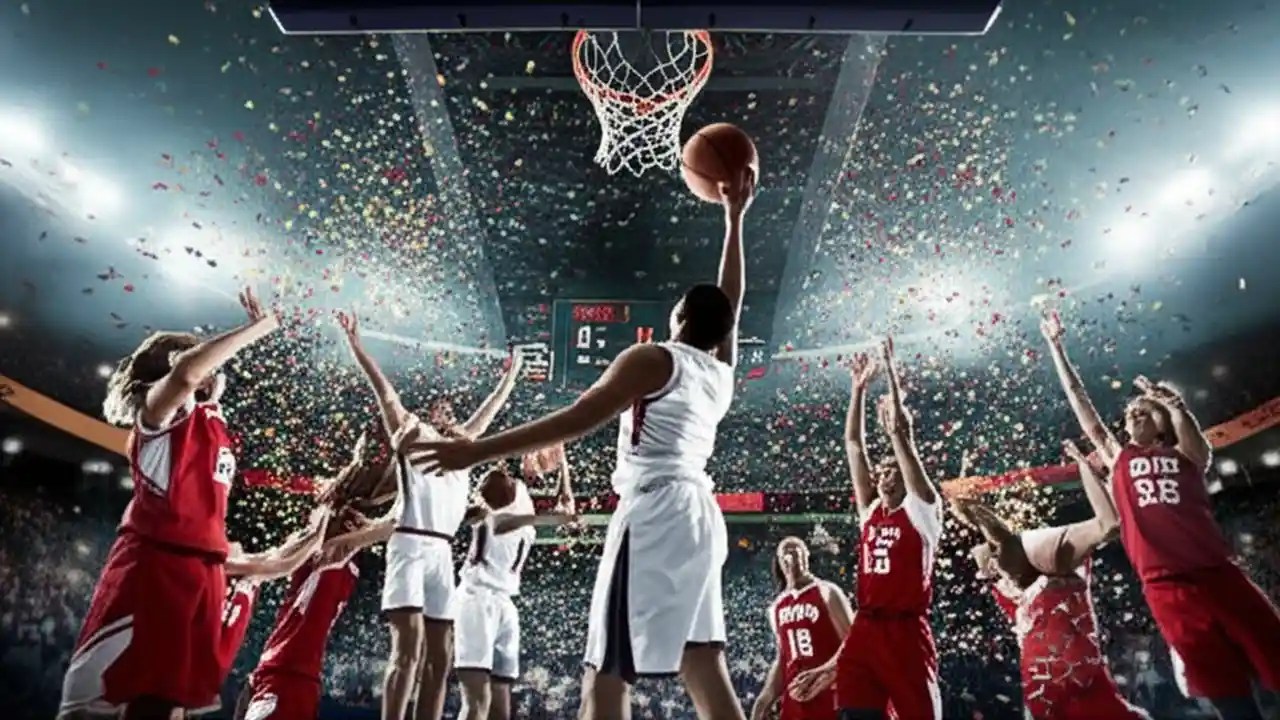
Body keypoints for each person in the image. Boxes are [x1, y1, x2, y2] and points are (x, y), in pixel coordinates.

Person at [405, 167, 756, 720]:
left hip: (655, 512)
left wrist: (477, 450)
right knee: (704, 665)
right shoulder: (721, 372)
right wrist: (734, 221)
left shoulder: (653, 358)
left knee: (606, 674)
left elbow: (577, 417)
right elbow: (730, 302)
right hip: (702, 518)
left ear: (678, 316)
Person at [1040, 310, 1280, 720]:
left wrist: (1174, 406)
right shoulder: (1118, 459)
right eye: (1131, 411)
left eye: (1144, 410)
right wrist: (1056, 348)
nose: (1134, 413)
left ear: (1164, 421)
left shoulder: (1186, 454)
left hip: (1219, 573)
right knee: (1226, 693)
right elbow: (1083, 406)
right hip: (1165, 588)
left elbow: (1197, 445)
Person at [59, 288, 279, 720]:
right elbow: (185, 376)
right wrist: (260, 328)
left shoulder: (211, 423)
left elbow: (202, 381)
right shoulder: (161, 413)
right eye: (191, 354)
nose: (205, 362)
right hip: (156, 570)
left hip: (198, 571)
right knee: (106, 704)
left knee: (166, 706)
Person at [336, 311, 525, 720]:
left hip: (441, 552)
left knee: (442, 654)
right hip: (410, 541)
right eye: (443, 406)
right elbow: (386, 395)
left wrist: (510, 377)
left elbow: (489, 410)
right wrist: (359, 349)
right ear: (429, 413)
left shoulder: (462, 450)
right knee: (410, 645)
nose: (451, 411)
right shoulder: (413, 434)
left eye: (452, 408)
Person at [790, 343, 943, 720]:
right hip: (865, 628)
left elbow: (903, 439)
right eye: (880, 472)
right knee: (856, 713)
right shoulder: (872, 511)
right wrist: (857, 390)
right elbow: (854, 445)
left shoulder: (922, 509)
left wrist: (891, 375)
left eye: (888, 470)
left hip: (905, 632)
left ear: (903, 477)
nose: (879, 474)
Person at [952, 439, 1150, 720]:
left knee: (1107, 527)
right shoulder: (1013, 586)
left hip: (1049, 603)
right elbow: (992, 540)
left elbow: (993, 540)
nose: (984, 560)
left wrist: (967, 499)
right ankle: (1089, 467)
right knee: (1108, 527)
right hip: (1056, 663)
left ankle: (1088, 466)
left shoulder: (1011, 576)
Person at [233, 496, 403, 720]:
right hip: (282, 675)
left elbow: (382, 527)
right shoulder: (319, 557)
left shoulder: (334, 556)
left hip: (289, 677)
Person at [453, 446, 580, 720]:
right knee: (476, 700)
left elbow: (561, 502)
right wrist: (559, 515)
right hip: (477, 600)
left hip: (505, 604)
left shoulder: (519, 495)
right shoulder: (491, 517)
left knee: (501, 700)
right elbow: (521, 519)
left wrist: (564, 465)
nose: (509, 479)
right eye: (503, 479)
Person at [751, 537, 853, 720]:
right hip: (796, 700)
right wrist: (766, 697)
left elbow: (854, 644)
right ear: (780, 563)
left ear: (806, 556)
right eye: (786, 552)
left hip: (830, 694)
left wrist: (825, 673)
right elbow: (783, 657)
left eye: (796, 550)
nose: (791, 554)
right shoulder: (777, 606)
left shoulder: (827, 591)